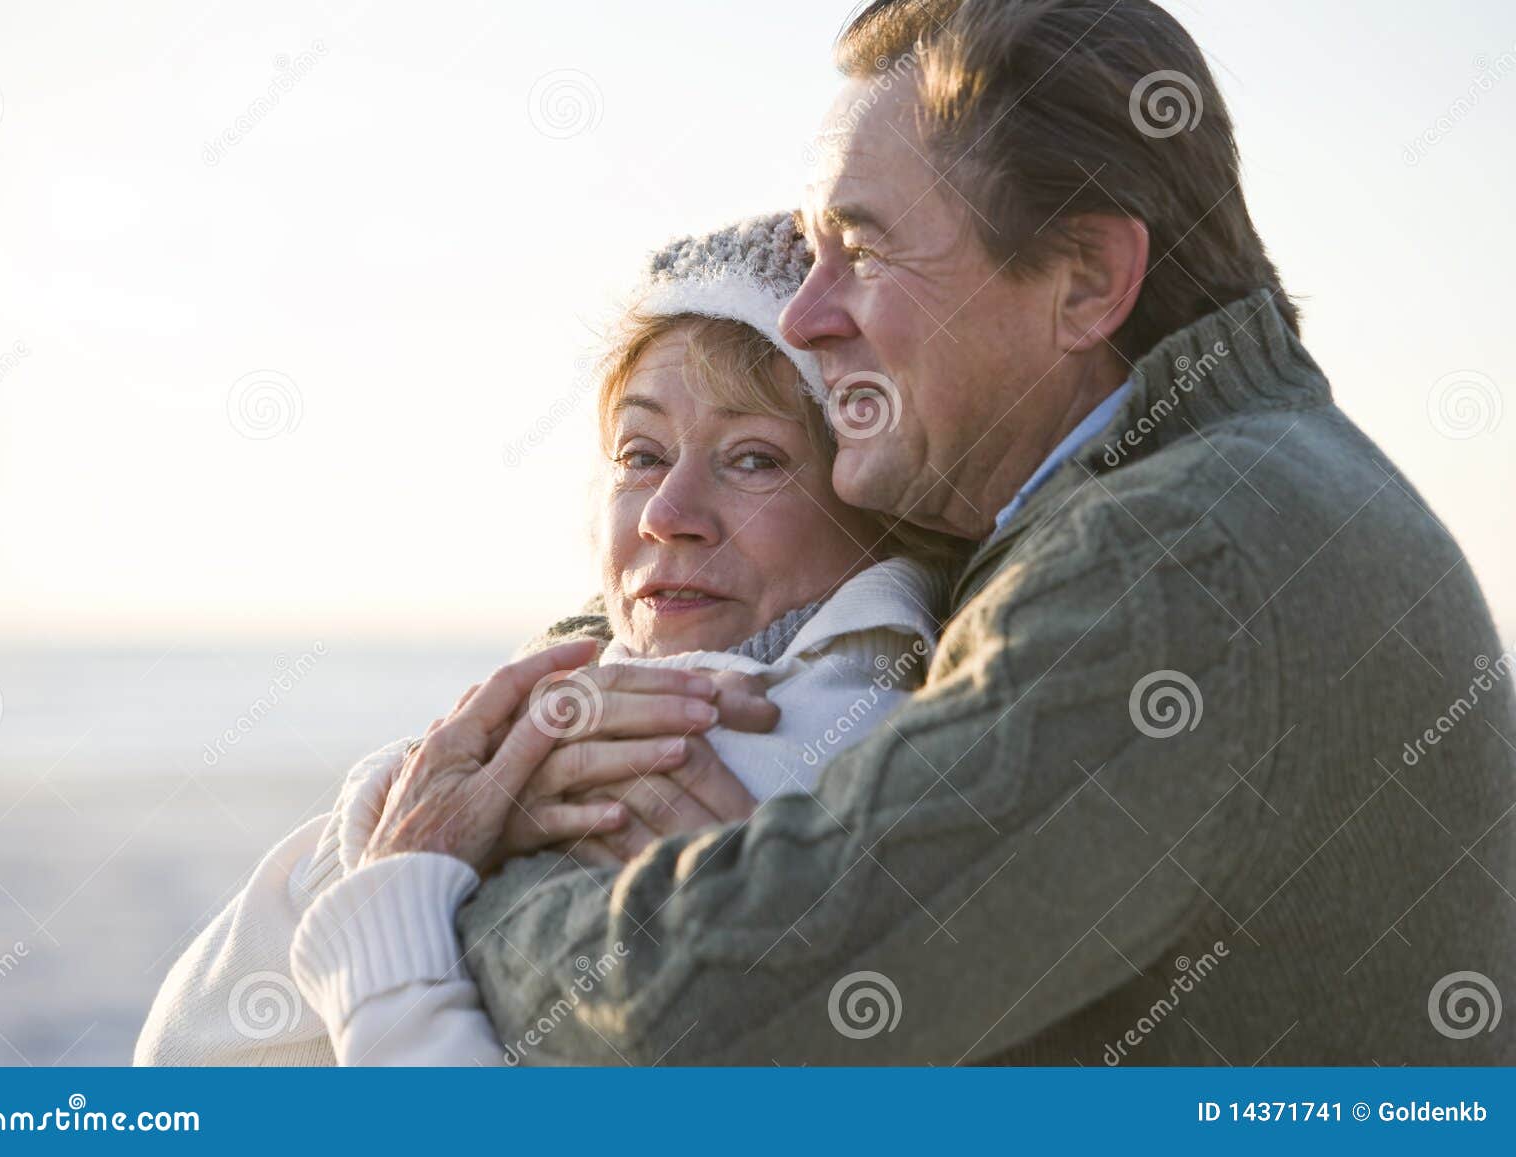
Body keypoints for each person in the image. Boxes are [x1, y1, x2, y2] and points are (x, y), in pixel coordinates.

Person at [330, 0, 1515, 1065]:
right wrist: (589, 699)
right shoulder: (1199, 489)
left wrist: (461, 877)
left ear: (1085, 279)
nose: (807, 311)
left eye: (865, 248)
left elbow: (715, 1020)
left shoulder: (1171, 564)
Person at [133, 214, 963, 1065]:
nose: (667, 513)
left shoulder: (778, 735)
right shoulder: (583, 704)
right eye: (640, 454)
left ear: (872, 500)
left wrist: (397, 855)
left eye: (753, 458)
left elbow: (189, 1054)